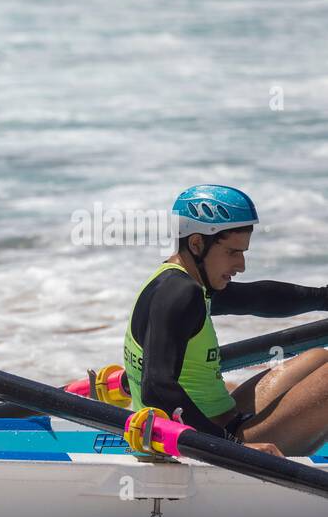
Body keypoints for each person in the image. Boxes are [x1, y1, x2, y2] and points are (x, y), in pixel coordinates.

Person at [123, 185, 328, 456]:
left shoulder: (183, 281)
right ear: (197, 244)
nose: (241, 265)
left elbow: (259, 297)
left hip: (221, 422)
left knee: (317, 358)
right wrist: (233, 448)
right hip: (210, 441)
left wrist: (324, 298)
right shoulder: (181, 294)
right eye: (233, 252)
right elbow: (156, 388)